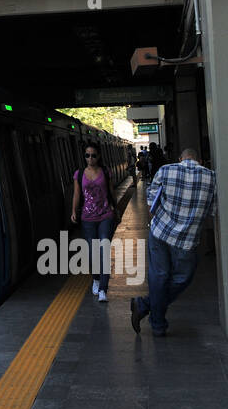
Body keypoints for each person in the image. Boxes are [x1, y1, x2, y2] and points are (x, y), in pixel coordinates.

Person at [131, 148, 217, 337]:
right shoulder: (212, 177)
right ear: (200, 160)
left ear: (180, 159)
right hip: (188, 239)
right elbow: (212, 212)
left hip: (160, 232)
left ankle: (146, 307)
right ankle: (156, 322)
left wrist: (153, 221)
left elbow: (151, 200)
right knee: (182, 278)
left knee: (159, 277)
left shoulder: (166, 170)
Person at [71, 143, 118, 302]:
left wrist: (114, 206)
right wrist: (73, 211)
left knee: (103, 250)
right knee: (92, 253)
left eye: (93, 155)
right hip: (87, 219)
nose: (90, 158)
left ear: (99, 156)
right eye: (87, 155)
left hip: (105, 215)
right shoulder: (79, 174)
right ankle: (96, 279)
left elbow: (111, 191)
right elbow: (77, 194)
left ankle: (103, 289)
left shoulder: (106, 171)